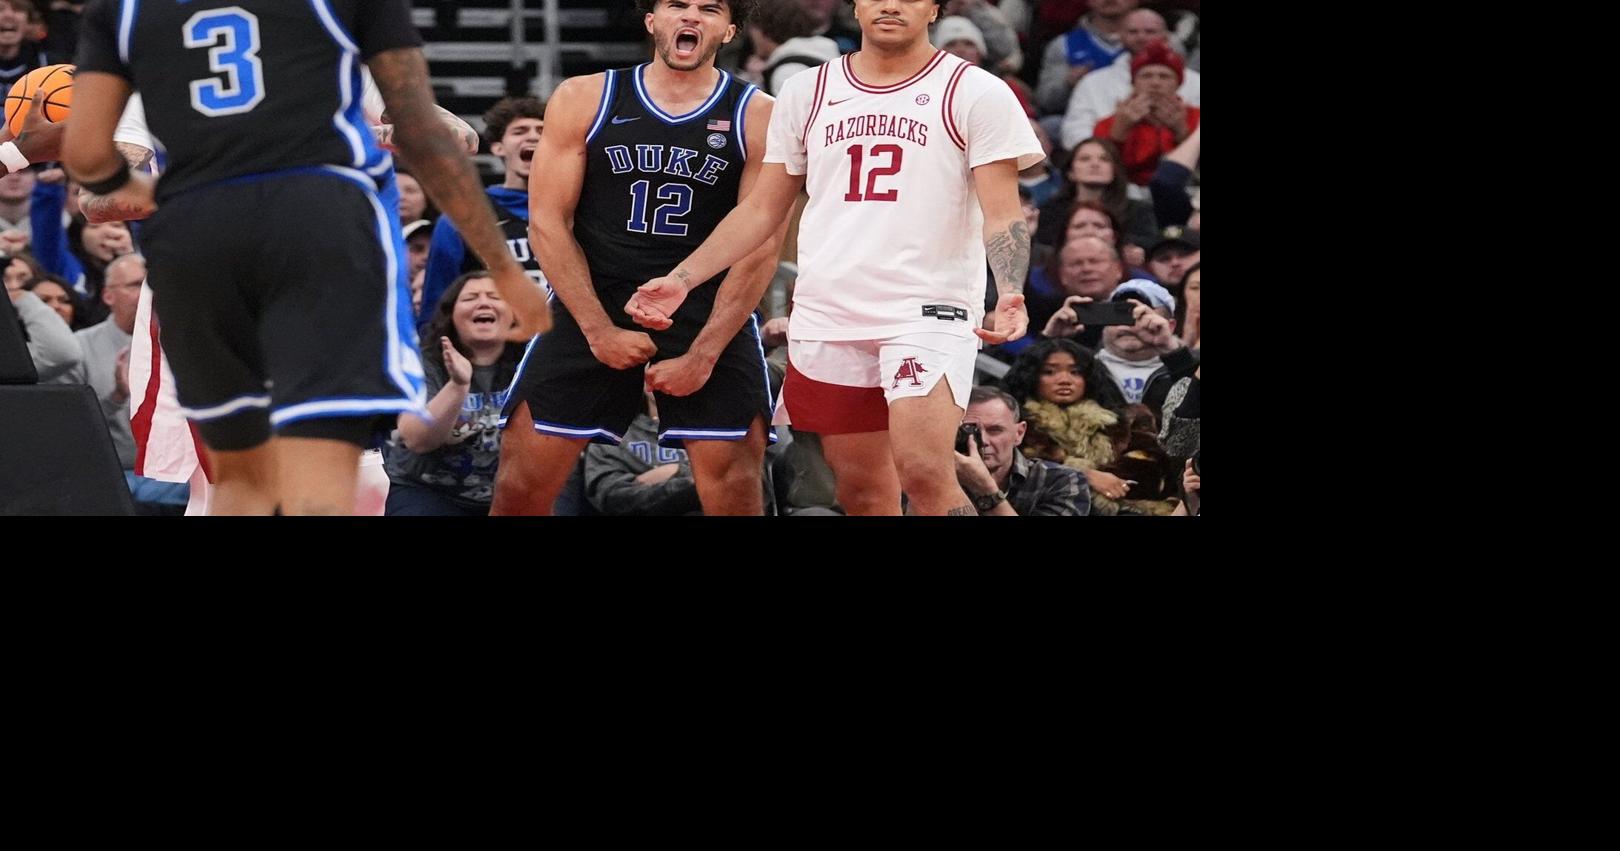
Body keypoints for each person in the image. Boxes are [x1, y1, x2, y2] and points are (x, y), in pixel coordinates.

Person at [65, 0, 549, 515]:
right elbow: (439, 135)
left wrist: (191, 189)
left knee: (234, 483)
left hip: (197, 236)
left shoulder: (126, 12)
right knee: (331, 478)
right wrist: (502, 267)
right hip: (316, 223)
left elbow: (88, 165)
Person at [629, 0, 1044, 516]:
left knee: (923, 470)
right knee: (860, 491)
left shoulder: (975, 90)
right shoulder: (807, 90)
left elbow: (1003, 212)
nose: (890, 5)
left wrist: (1009, 291)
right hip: (829, 310)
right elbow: (761, 209)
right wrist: (684, 278)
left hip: (925, 307)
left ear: (934, 8)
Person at [491, 0, 784, 517]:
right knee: (519, 487)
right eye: (677, 5)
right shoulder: (586, 96)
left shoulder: (759, 114)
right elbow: (547, 224)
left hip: (707, 307)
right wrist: (598, 330)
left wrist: (705, 352)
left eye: (710, 9)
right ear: (652, 21)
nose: (691, 17)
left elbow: (760, 243)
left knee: (737, 495)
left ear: (730, 29)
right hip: (594, 298)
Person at [384, 271, 524, 515]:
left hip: (508, 494)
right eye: (470, 298)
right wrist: (458, 385)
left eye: (495, 296)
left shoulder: (530, 366)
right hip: (426, 490)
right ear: (452, 315)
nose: (483, 302)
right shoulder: (423, 363)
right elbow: (416, 439)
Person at [418, 96, 547, 328]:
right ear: (498, 147)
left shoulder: (580, 210)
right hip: (491, 346)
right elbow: (437, 300)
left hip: (558, 345)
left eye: (541, 131)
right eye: (520, 131)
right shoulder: (463, 216)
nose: (532, 136)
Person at [953, 385, 1089, 515]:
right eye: (970, 431)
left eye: (995, 430)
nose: (983, 441)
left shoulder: (1059, 480)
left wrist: (984, 488)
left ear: (1019, 433)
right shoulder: (941, 478)